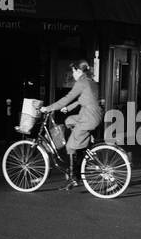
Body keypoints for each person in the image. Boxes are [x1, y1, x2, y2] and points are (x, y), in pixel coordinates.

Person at [41, 60, 103, 191]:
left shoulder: (81, 82)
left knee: (70, 146)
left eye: (73, 71)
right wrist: (68, 108)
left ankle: (73, 178)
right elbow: (82, 100)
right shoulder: (91, 81)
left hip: (88, 117)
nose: (72, 74)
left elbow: (67, 98)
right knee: (68, 121)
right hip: (92, 114)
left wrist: (49, 108)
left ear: (79, 71)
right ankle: (80, 150)